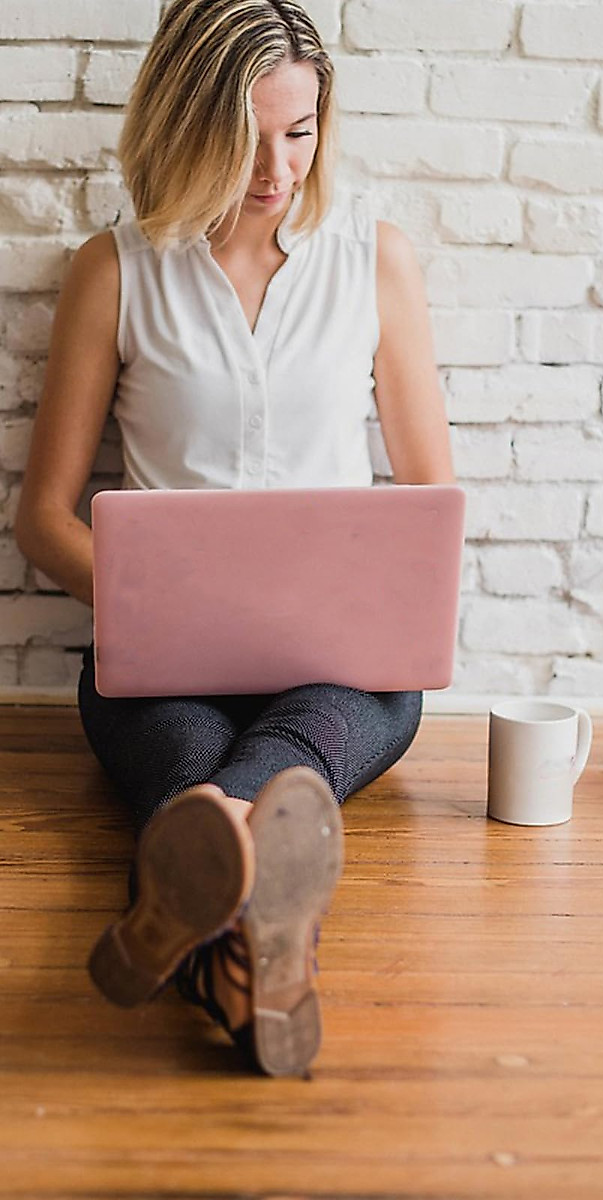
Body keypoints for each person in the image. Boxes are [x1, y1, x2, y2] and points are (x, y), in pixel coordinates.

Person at [13, 0, 455, 1077]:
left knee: (247, 773)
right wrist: (140, 601)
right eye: (246, 135)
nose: (277, 167)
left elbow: (431, 492)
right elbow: (41, 517)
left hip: (341, 675)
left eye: (298, 133)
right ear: (183, 123)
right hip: (158, 671)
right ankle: (270, 951)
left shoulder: (373, 260)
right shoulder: (115, 271)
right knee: (221, 761)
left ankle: (194, 894)